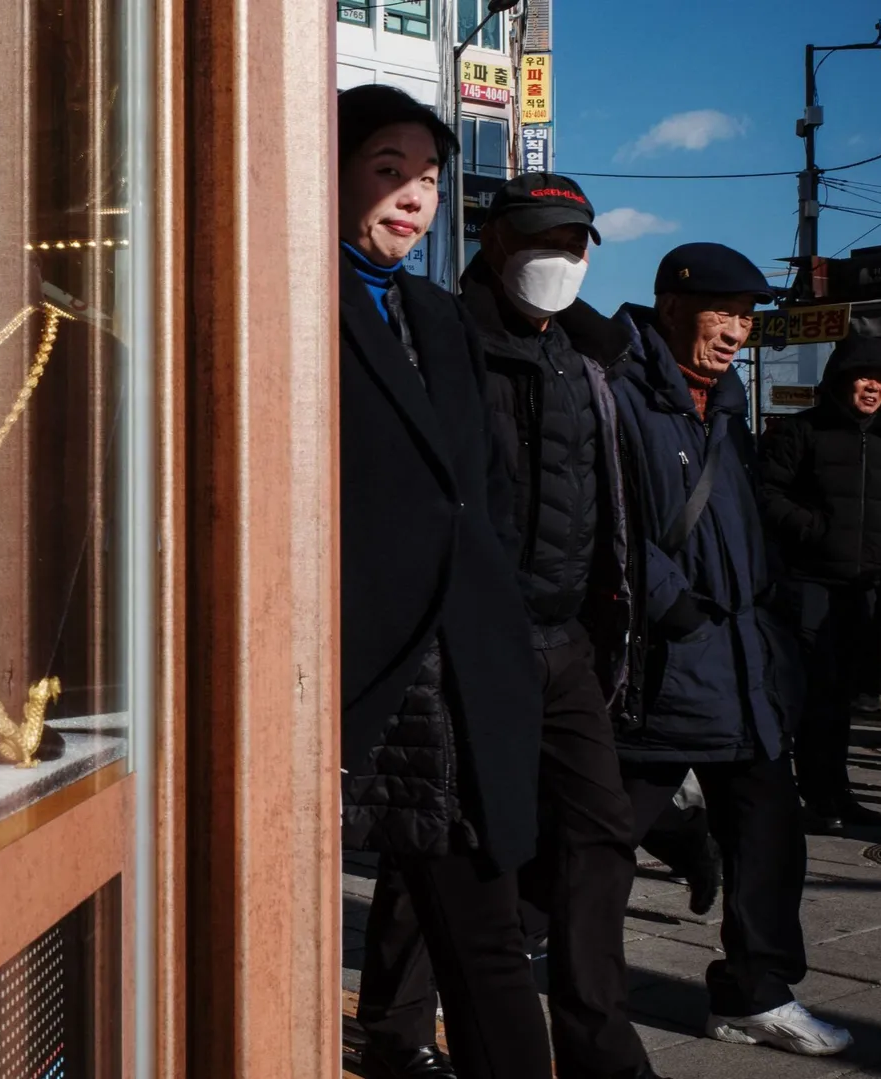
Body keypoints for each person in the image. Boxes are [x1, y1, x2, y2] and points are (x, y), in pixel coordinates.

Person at [335, 84, 550, 1079]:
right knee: (274, 919)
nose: (412, 198)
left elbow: (485, 487)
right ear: (330, 175)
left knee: (484, 922)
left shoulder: (437, 310)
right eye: (387, 172)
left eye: (425, 180)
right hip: (346, 654)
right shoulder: (285, 292)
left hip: (457, 655)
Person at [607, 242, 852, 1058]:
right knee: (598, 836)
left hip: (744, 660)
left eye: (748, 316)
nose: (738, 331)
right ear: (673, 307)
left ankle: (756, 992)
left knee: (769, 830)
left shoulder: (731, 403)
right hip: (667, 664)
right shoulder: (619, 391)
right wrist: (675, 611)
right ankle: (510, 960)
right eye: (725, 312)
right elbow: (612, 525)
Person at [456, 172, 658, 1079]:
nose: (560, 261)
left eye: (574, 245)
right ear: (497, 244)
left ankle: (601, 1048)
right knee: (469, 854)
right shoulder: (447, 341)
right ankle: (406, 1022)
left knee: (600, 832)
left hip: (566, 637)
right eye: (542, 241)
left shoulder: (586, 363)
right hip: (471, 641)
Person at [759, 335, 881, 832]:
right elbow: (766, 492)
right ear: (840, 381)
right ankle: (812, 794)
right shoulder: (800, 431)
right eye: (863, 377)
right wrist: (814, 531)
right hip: (807, 583)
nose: (872, 387)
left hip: (863, 587)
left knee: (842, 695)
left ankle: (836, 792)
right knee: (813, 694)